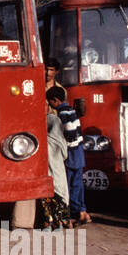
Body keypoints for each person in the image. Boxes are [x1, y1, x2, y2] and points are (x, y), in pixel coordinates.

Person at [51, 88, 91, 225]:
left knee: (69, 184)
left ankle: (75, 213)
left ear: (55, 100)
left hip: (72, 153)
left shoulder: (62, 112)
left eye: (50, 102)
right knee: (78, 184)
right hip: (79, 152)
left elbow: (69, 132)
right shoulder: (72, 110)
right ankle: (82, 211)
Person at [42, 87, 72, 229]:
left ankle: (57, 222)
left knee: (55, 190)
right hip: (49, 164)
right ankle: (56, 222)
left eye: (46, 104)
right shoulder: (49, 120)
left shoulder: (53, 119)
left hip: (53, 162)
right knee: (53, 191)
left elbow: (57, 140)